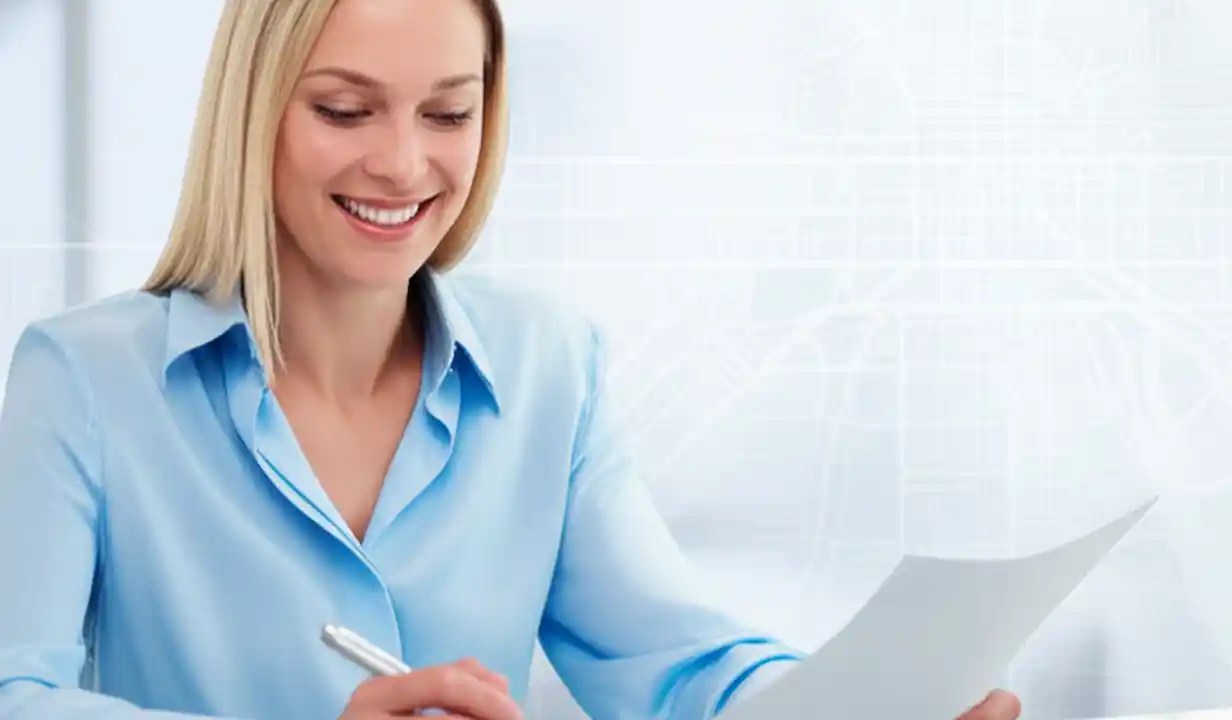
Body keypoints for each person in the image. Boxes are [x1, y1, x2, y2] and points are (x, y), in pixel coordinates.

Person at [0, 1, 1023, 718]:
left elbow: (674, 664)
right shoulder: (83, 380)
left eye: (447, 111)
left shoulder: (548, 369)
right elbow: (15, 694)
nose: (403, 163)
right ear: (252, 113)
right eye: (344, 109)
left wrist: (864, 707)